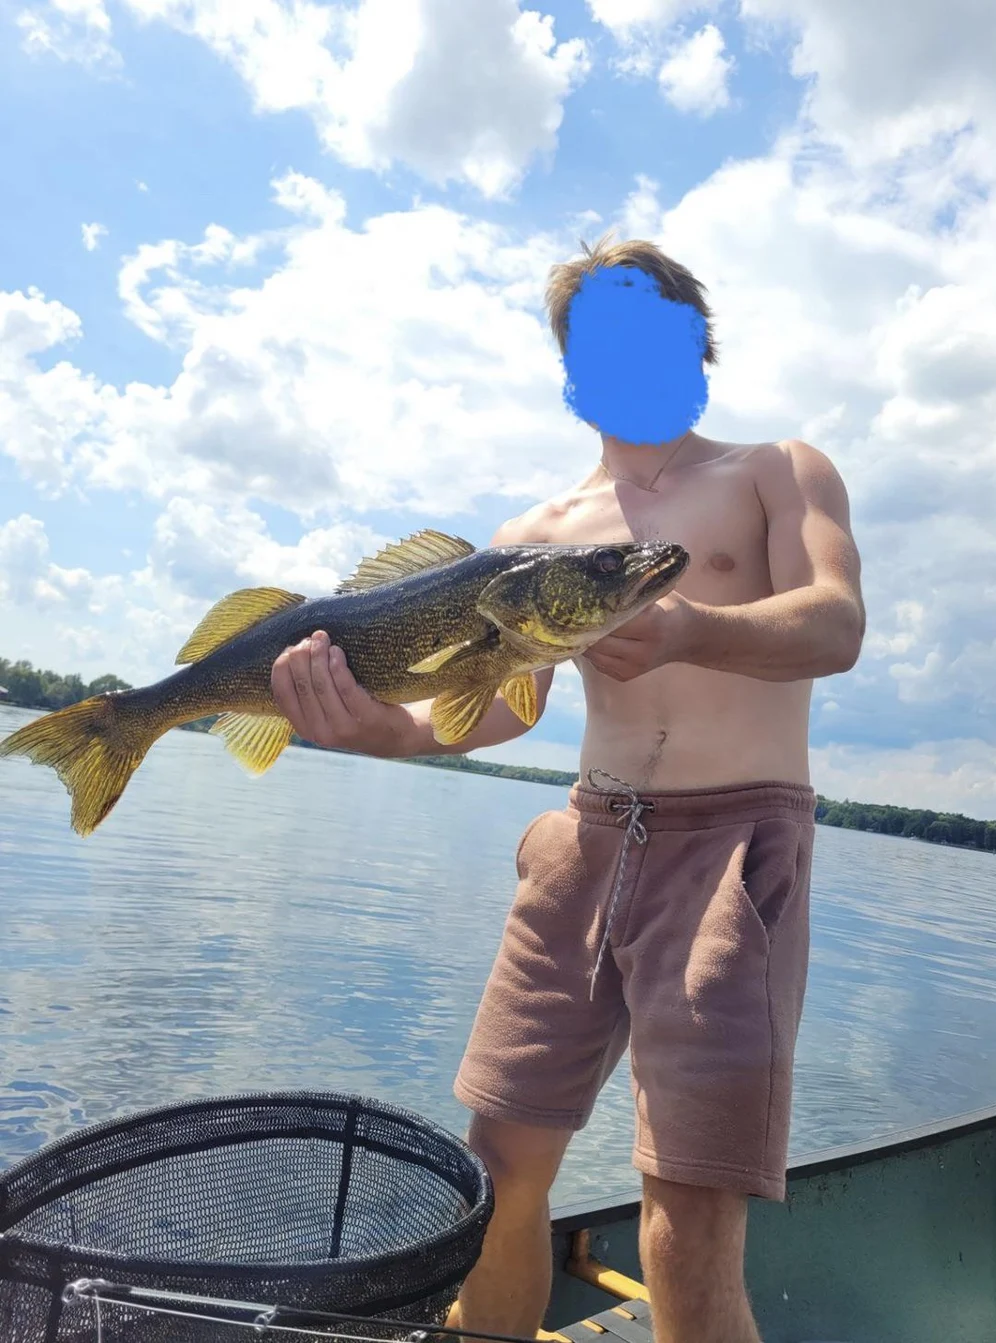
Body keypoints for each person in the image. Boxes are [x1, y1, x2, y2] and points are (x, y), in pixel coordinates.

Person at [270, 237, 865, 1343]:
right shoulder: (530, 540)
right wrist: (374, 733)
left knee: (686, 1210)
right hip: (584, 843)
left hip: (733, 848)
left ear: (699, 343)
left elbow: (837, 623)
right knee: (495, 1168)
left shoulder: (777, 469)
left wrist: (694, 627)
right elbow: (500, 708)